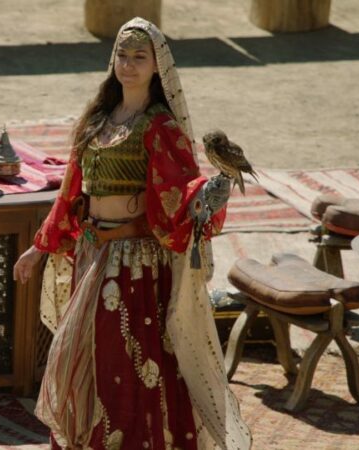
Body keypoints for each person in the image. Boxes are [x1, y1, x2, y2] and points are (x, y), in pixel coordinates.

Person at [13, 17, 252, 450]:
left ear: (157, 65)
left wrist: (208, 195)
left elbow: (178, 192)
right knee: (87, 357)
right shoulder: (98, 118)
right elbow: (70, 191)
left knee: (126, 360)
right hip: (91, 255)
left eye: (139, 57)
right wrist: (38, 248)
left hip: (133, 262)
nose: (128, 64)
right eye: (122, 55)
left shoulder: (159, 126)